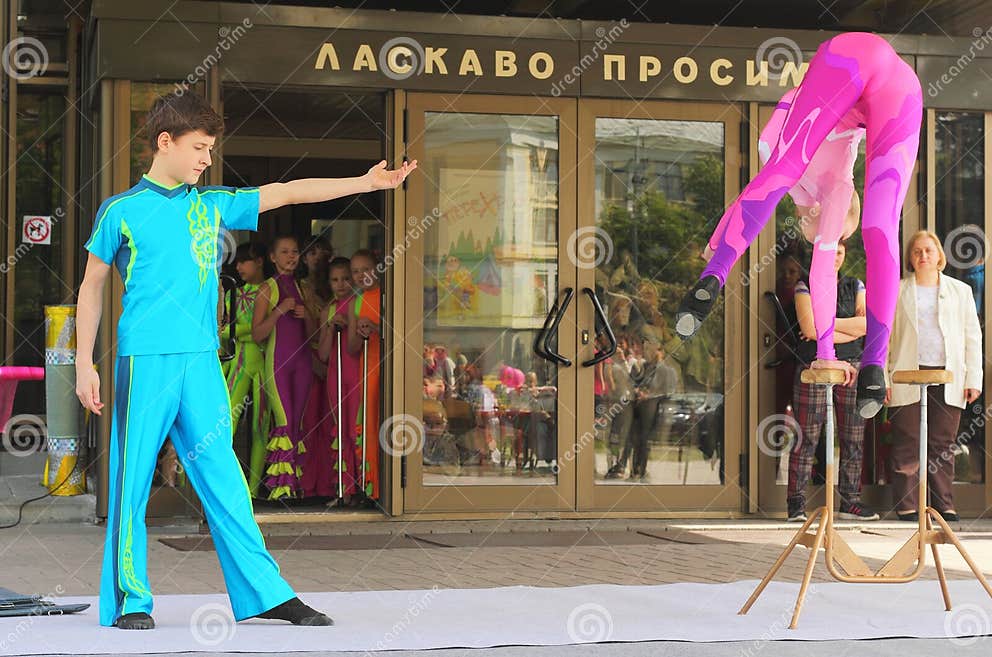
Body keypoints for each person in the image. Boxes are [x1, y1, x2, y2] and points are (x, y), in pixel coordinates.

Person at [74, 90, 416, 629]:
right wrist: (84, 363)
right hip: (145, 363)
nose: (207, 159)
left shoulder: (212, 204)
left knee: (226, 480)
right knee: (131, 482)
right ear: (165, 143)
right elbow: (91, 286)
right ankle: (130, 600)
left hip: (203, 364)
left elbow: (287, 192)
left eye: (210, 149)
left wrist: (365, 184)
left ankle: (266, 594)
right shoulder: (121, 211)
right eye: (200, 148)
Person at [676, 32, 923, 419]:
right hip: (900, 89)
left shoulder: (812, 181)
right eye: (837, 232)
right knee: (882, 226)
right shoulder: (837, 189)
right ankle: (874, 365)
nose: (829, 236)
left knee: (780, 172)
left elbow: (758, 182)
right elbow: (821, 271)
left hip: (850, 57)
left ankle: (713, 279)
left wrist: (715, 256)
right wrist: (826, 354)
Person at [885, 231, 982, 522]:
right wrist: (884, 378)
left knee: (942, 442)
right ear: (910, 259)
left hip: (947, 374)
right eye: (917, 251)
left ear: (940, 255)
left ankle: (944, 505)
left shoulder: (960, 291)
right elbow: (885, 338)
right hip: (906, 372)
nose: (923, 255)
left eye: (929, 250)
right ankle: (907, 506)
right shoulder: (897, 290)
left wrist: (972, 379)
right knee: (907, 440)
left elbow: (971, 337)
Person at [787, 240, 878, 522]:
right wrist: (845, 326)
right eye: (831, 252)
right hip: (814, 367)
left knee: (853, 437)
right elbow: (808, 329)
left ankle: (850, 502)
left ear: (844, 254)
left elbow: (866, 326)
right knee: (807, 437)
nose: (835, 257)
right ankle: (796, 504)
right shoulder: (805, 285)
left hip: (851, 367)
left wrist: (824, 322)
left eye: (840, 252)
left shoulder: (856, 285)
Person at [252, 235, 314, 501]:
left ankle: (296, 486)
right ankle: (280, 489)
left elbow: (313, 334)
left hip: (303, 365)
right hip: (278, 365)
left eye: (295, 251)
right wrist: (279, 311)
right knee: (285, 422)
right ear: (273, 257)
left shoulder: (304, 288)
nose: (291, 256)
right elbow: (257, 334)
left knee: (297, 425)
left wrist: (307, 314)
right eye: (284, 251)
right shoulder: (267, 289)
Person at [223, 241, 271, 498]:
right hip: (240, 363)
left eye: (245, 261)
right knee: (226, 424)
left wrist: (244, 332)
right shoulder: (232, 294)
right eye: (237, 261)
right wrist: (252, 331)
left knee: (260, 426)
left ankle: (252, 490)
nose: (239, 266)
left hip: (263, 365)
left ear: (261, 261)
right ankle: (225, 487)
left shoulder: (270, 292)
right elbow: (222, 331)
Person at [317, 256, 361, 506]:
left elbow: (355, 348)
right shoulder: (328, 310)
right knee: (340, 430)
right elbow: (322, 354)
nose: (341, 284)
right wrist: (331, 329)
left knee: (356, 430)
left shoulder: (358, 303)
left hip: (355, 373)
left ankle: (362, 486)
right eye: (335, 280)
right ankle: (344, 488)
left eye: (345, 278)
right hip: (335, 374)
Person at [348, 249, 383, 501]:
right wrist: (360, 333)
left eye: (366, 269)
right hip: (367, 368)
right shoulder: (357, 302)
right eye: (355, 271)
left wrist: (378, 328)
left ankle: (385, 487)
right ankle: (371, 489)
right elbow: (351, 348)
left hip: (388, 368)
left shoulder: (389, 294)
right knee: (368, 425)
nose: (361, 275)